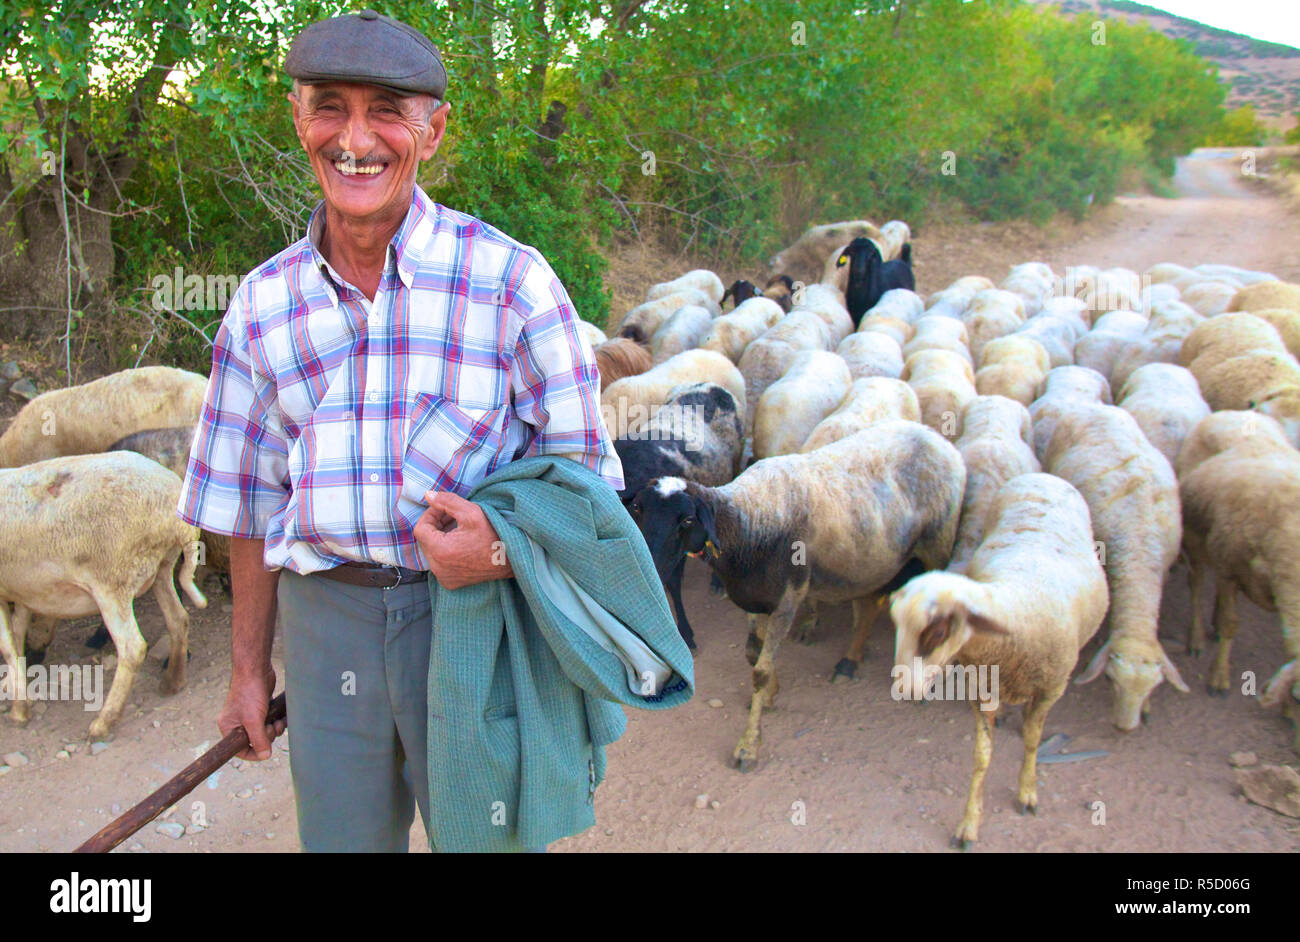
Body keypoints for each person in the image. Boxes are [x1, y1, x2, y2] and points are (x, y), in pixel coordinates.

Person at [178, 9, 622, 852]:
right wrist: (246, 671)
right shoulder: (261, 305)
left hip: (472, 622)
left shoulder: (512, 283)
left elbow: (589, 487)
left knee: (487, 841)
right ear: (299, 121)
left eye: (387, 108)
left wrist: (497, 548)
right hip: (323, 624)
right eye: (329, 107)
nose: (356, 138)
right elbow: (245, 503)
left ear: (434, 129)